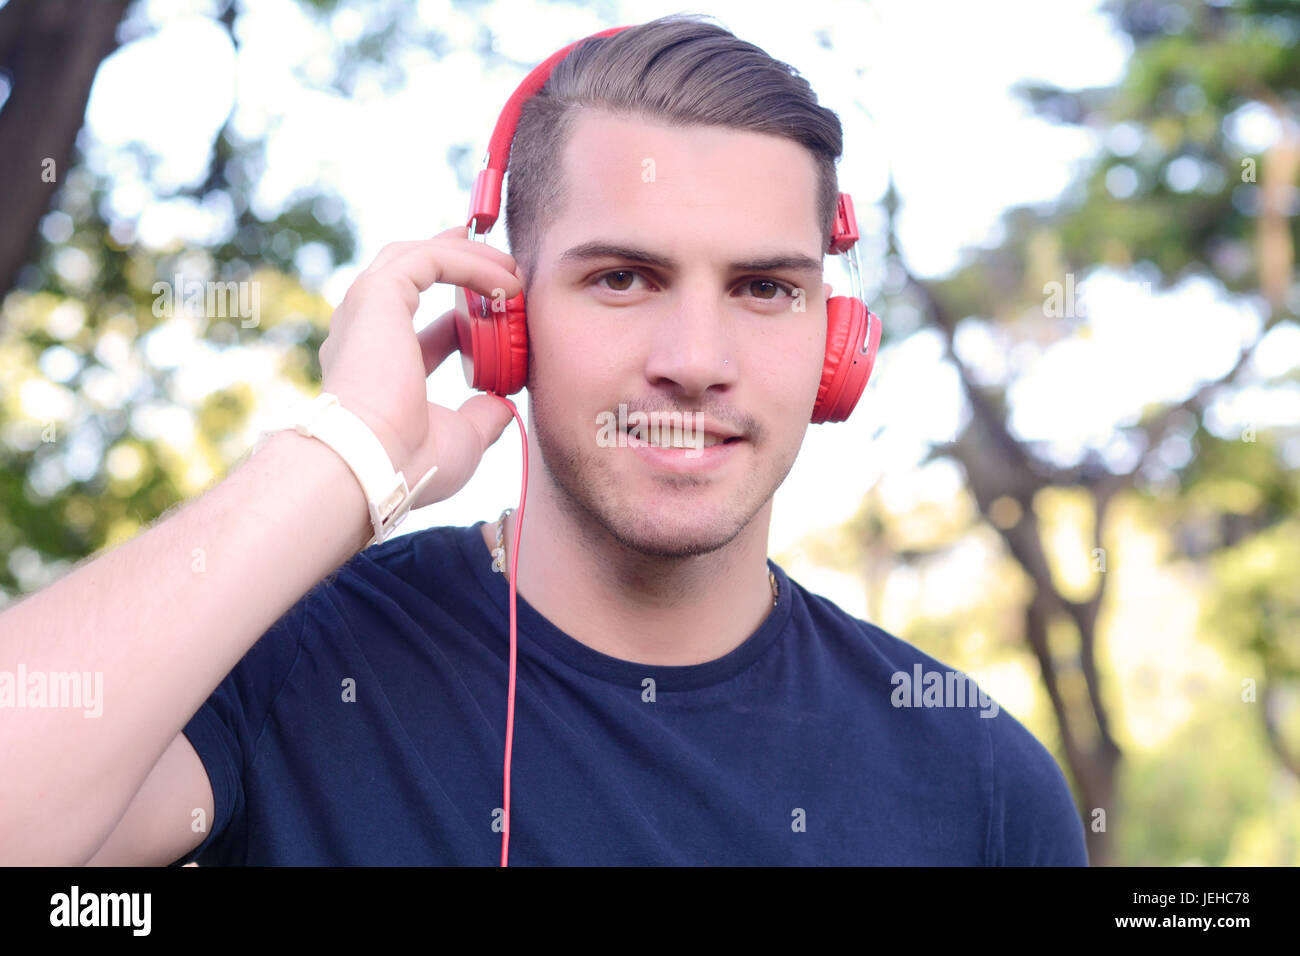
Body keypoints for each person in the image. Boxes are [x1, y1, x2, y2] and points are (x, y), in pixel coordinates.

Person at [0, 14, 1088, 866]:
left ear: (834, 346)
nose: (695, 356)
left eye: (764, 287)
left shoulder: (980, 782)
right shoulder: (295, 667)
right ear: (501, 323)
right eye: (622, 277)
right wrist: (344, 457)